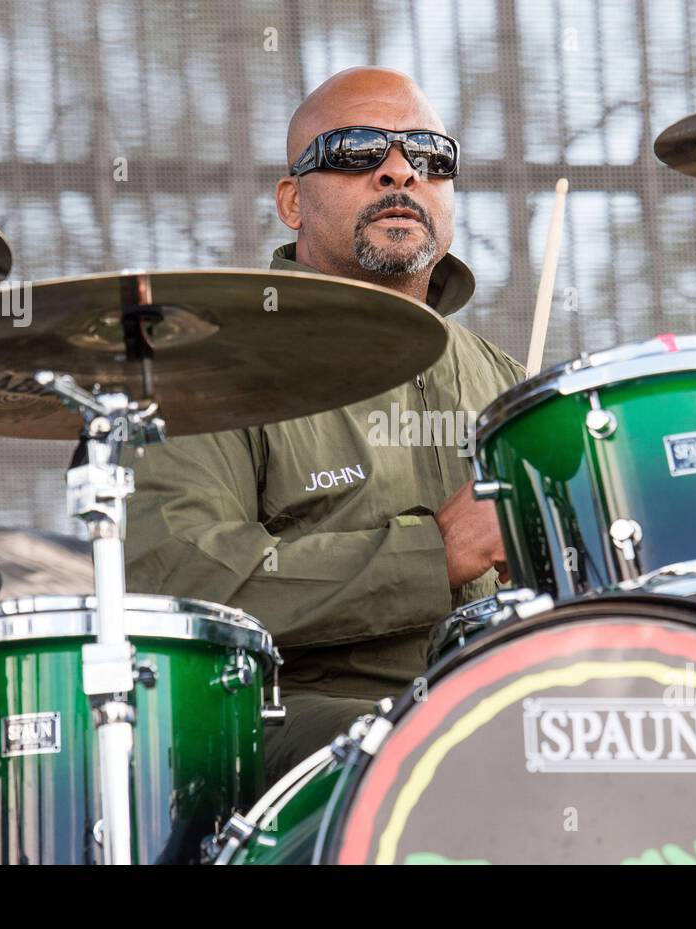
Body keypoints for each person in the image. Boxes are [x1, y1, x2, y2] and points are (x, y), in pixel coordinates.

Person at [125, 66, 525, 785]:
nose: (399, 170)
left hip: (497, 704)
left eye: (429, 156)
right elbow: (176, 581)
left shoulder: (508, 382)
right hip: (293, 725)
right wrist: (432, 554)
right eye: (354, 151)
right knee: (438, 746)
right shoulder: (211, 361)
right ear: (291, 201)